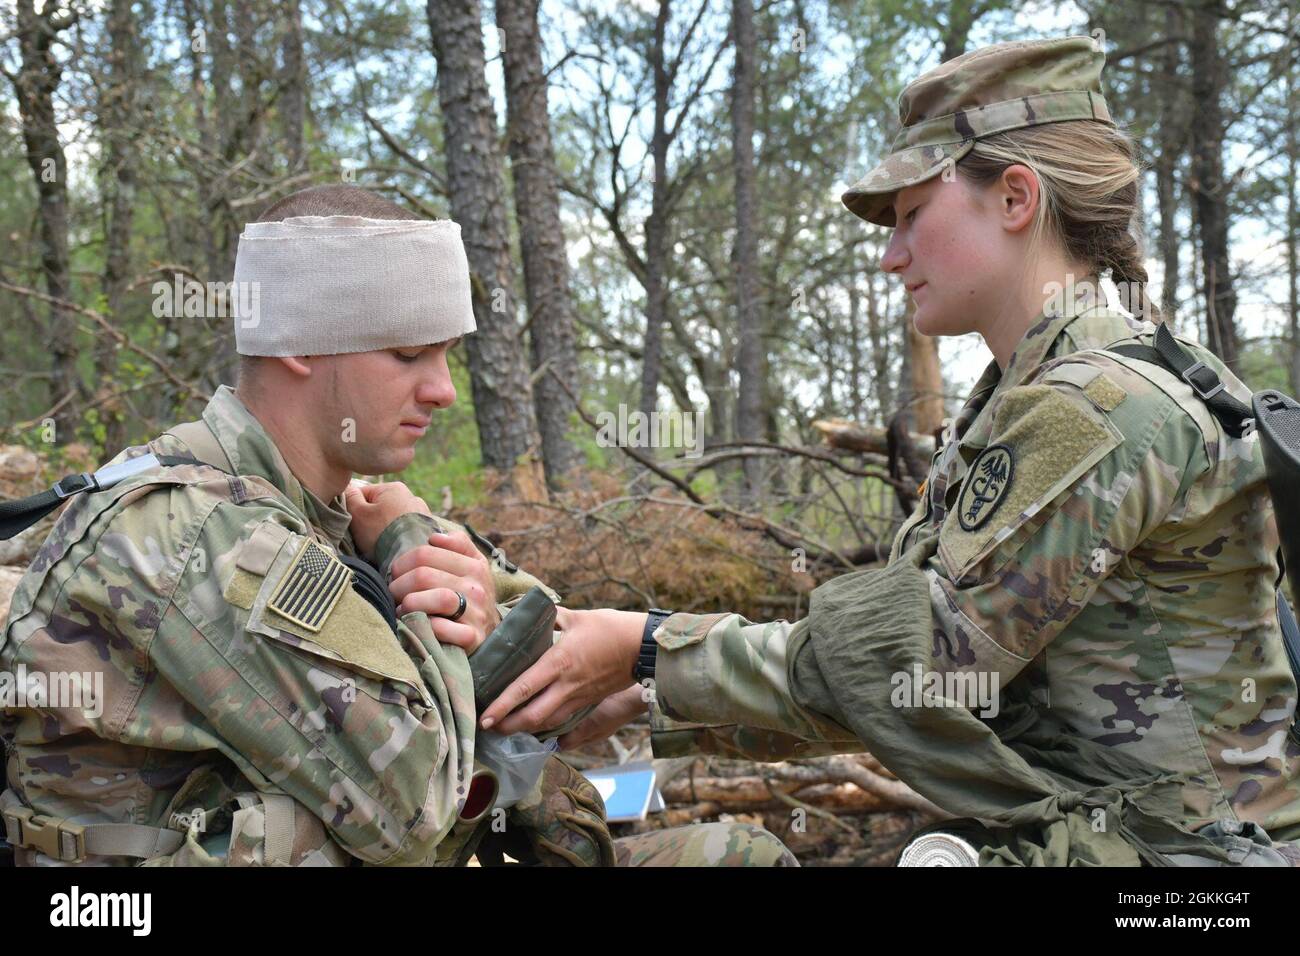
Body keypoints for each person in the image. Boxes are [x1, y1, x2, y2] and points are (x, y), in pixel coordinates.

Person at [479, 36, 1300, 865]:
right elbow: (886, 688)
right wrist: (645, 685)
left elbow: (923, 663)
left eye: (912, 216)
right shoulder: (1046, 396)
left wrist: (650, 648)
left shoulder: (1100, 407)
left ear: (1015, 197)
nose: (890, 255)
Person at [0, 185, 794, 867]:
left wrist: (482, 624)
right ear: (304, 343)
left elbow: (551, 638)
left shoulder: (335, 508)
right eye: (412, 353)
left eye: (447, 354)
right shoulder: (187, 533)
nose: (443, 390)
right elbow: (412, 807)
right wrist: (424, 578)